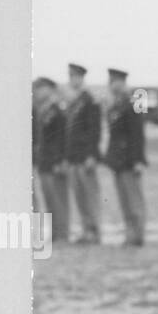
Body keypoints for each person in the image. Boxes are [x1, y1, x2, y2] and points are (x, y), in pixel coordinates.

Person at [103, 68, 148, 246]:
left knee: (134, 201)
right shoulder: (115, 105)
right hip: (118, 161)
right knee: (124, 202)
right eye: (112, 81)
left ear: (123, 82)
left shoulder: (134, 102)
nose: (114, 85)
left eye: (117, 81)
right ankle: (130, 234)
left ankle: (138, 235)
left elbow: (138, 134)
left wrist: (138, 160)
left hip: (130, 161)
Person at [63, 63, 102, 244]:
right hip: (74, 157)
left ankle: (94, 231)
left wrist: (91, 155)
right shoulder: (74, 102)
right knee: (80, 197)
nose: (72, 79)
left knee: (90, 196)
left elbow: (94, 130)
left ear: (81, 77)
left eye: (74, 76)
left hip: (86, 157)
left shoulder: (89, 100)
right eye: (70, 76)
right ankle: (86, 230)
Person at [32, 76, 69, 242]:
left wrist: (61, 160)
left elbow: (63, 138)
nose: (38, 92)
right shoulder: (42, 110)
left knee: (59, 200)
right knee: (49, 199)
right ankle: (55, 233)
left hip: (55, 162)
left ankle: (62, 233)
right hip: (45, 162)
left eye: (41, 88)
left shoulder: (57, 111)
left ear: (49, 89)